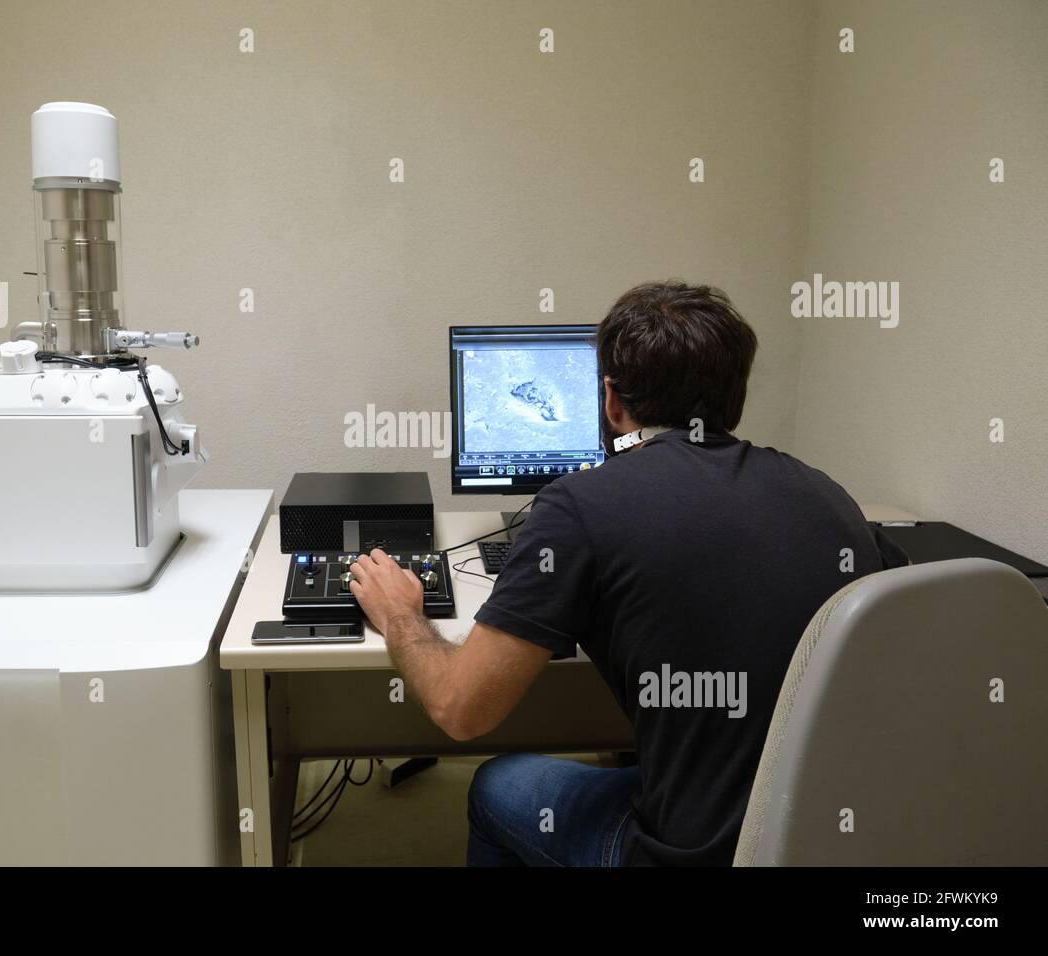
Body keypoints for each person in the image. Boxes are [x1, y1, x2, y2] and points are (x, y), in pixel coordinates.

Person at [345, 280, 908, 866]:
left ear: (612, 401)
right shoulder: (829, 495)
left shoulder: (579, 507)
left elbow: (461, 709)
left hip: (692, 855)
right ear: (733, 396)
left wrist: (401, 615)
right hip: (832, 841)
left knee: (495, 786)